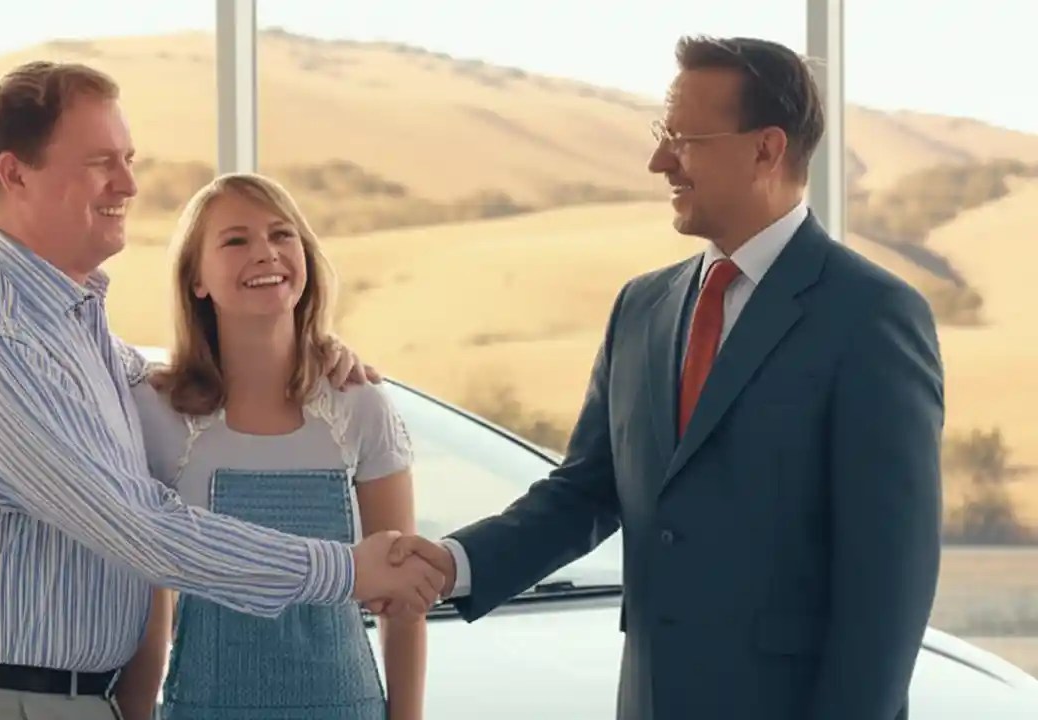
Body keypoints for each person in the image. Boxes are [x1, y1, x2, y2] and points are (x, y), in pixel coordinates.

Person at [387, 35, 944, 720]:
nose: (658, 162)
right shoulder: (641, 308)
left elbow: (889, 582)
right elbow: (587, 491)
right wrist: (452, 564)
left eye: (683, 139)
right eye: (662, 135)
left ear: (766, 149)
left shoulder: (871, 316)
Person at [0, 61, 444, 720]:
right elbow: (141, 531)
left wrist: (304, 349)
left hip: (70, 700)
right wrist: (348, 571)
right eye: (101, 162)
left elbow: (184, 379)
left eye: (128, 158)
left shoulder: (70, 325)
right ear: (15, 174)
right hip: (3, 703)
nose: (128, 183)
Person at [113, 172, 426, 720]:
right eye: (236, 240)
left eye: (282, 235)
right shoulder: (157, 413)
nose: (266, 253)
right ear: (196, 280)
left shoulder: (361, 404)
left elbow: (404, 601)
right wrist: (137, 711)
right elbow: (148, 599)